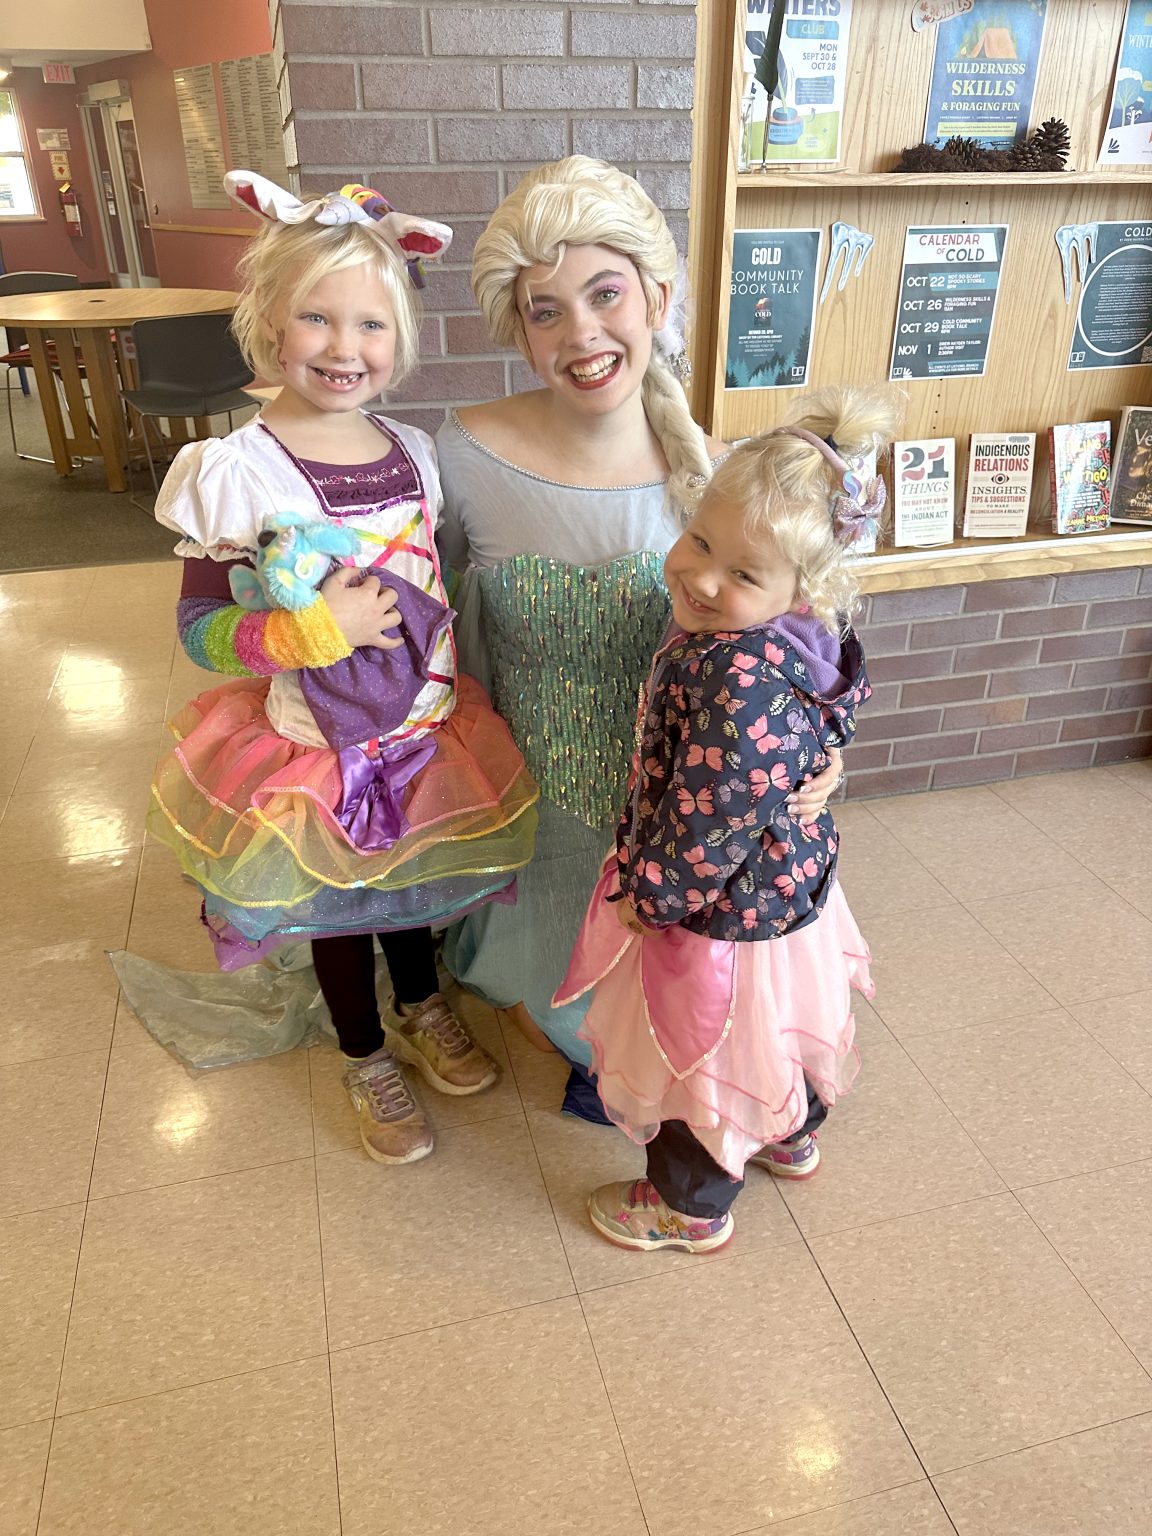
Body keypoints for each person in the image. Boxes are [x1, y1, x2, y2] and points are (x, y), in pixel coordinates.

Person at [437, 156, 842, 1120]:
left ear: (657, 297)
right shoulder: (461, 454)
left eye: (606, 294)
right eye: (546, 311)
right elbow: (438, 638)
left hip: (685, 818)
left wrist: (825, 755)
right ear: (520, 331)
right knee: (575, 999)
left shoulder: (724, 478)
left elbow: (800, 650)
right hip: (539, 813)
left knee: (703, 1016)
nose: (581, 333)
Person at [147, 170, 538, 1165]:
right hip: (320, 745)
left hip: (425, 726)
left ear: (399, 337)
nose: (343, 347)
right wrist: (304, 634)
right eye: (316, 318)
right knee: (336, 903)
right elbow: (199, 626)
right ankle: (363, 1051)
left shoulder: (413, 449)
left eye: (370, 324)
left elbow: (432, 574)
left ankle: (419, 1004)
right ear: (269, 324)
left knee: (404, 879)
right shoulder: (238, 468)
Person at [554, 386, 896, 1252]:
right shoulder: (799, 636)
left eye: (743, 575)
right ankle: (790, 1131)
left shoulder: (732, 676)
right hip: (789, 891)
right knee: (777, 1025)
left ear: (797, 589)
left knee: (698, 1058)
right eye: (701, 541)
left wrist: (651, 897)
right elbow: (826, 716)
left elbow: (712, 816)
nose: (703, 579)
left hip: (719, 910)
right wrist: (828, 758)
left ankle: (690, 1205)